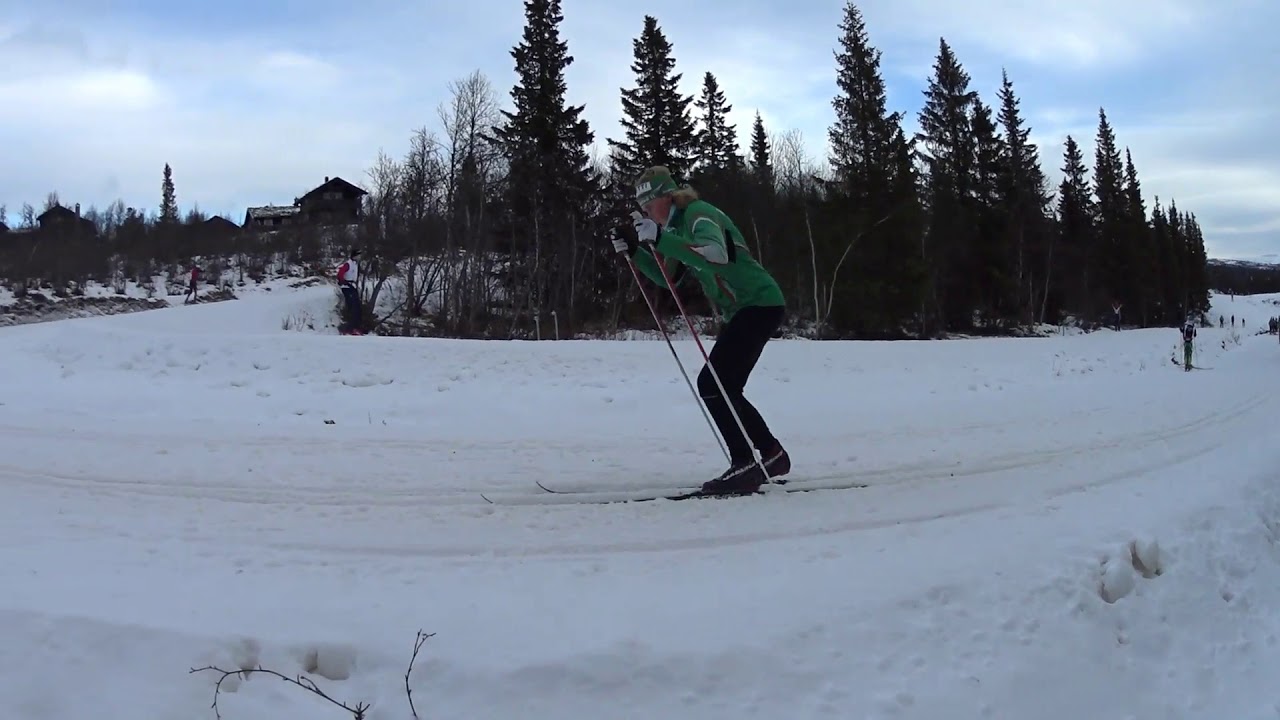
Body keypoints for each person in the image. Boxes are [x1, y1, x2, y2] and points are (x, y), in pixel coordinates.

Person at [612, 165, 790, 496]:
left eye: (648, 205)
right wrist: (636, 252)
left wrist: (662, 238)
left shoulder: (697, 214)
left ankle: (746, 461)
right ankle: (771, 455)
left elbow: (717, 255)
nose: (646, 212)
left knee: (713, 384)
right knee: (724, 387)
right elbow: (670, 279)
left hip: (758, 302)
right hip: (744, 309)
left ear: (665, 198)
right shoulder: (678, 227)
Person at [336, 248, 363, 335]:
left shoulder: (355, 264)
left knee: (357, 308)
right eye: (358, 255)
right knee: (353, 307)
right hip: (347, 287)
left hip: (352, 286)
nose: (360, 257)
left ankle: (354, 327)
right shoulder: (348, 264)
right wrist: (343, 282)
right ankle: (350, 329)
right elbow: (340, 274)